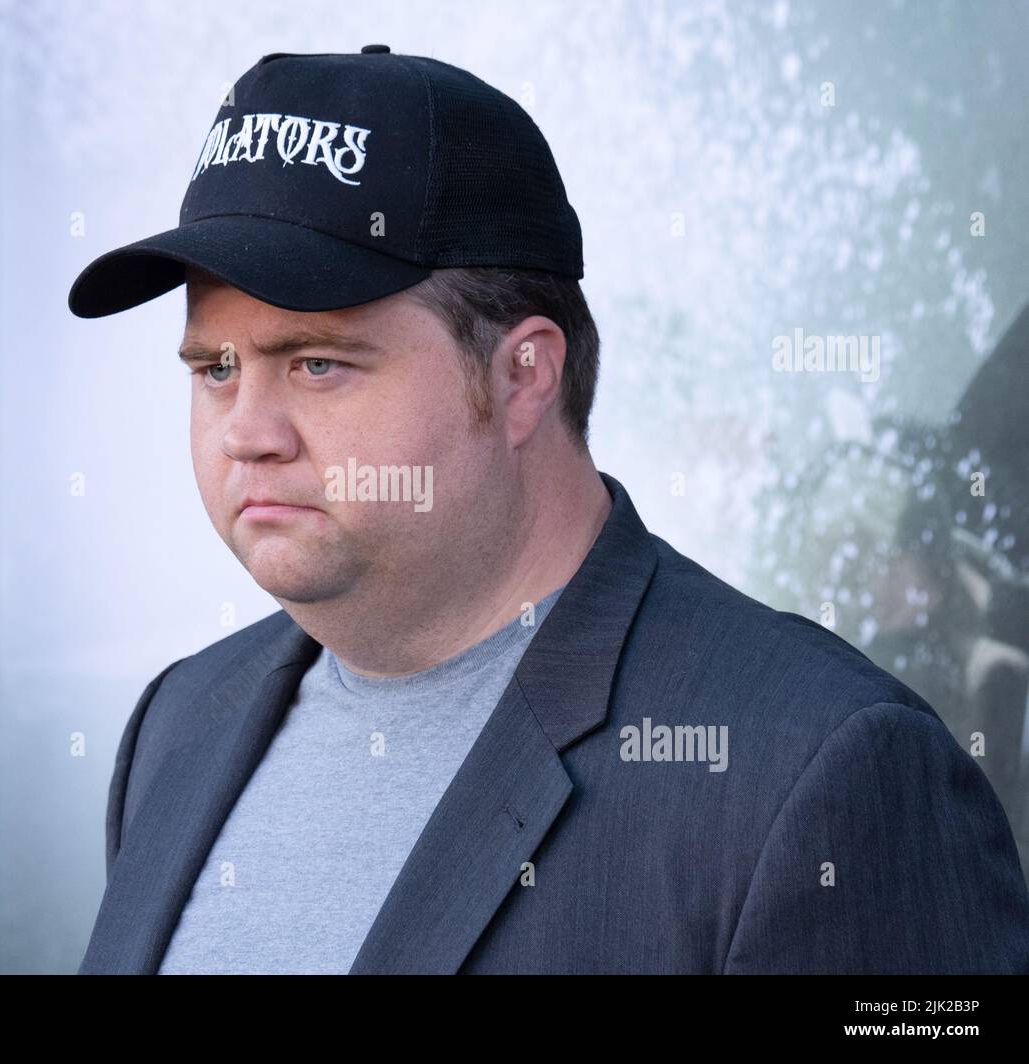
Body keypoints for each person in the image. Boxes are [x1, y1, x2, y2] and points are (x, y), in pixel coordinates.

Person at [67, 45, 1029, 974]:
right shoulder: (176, 726)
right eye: (214, 369)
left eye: (318, 363)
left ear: (524, 374)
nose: (247, 431)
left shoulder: (821, 774)